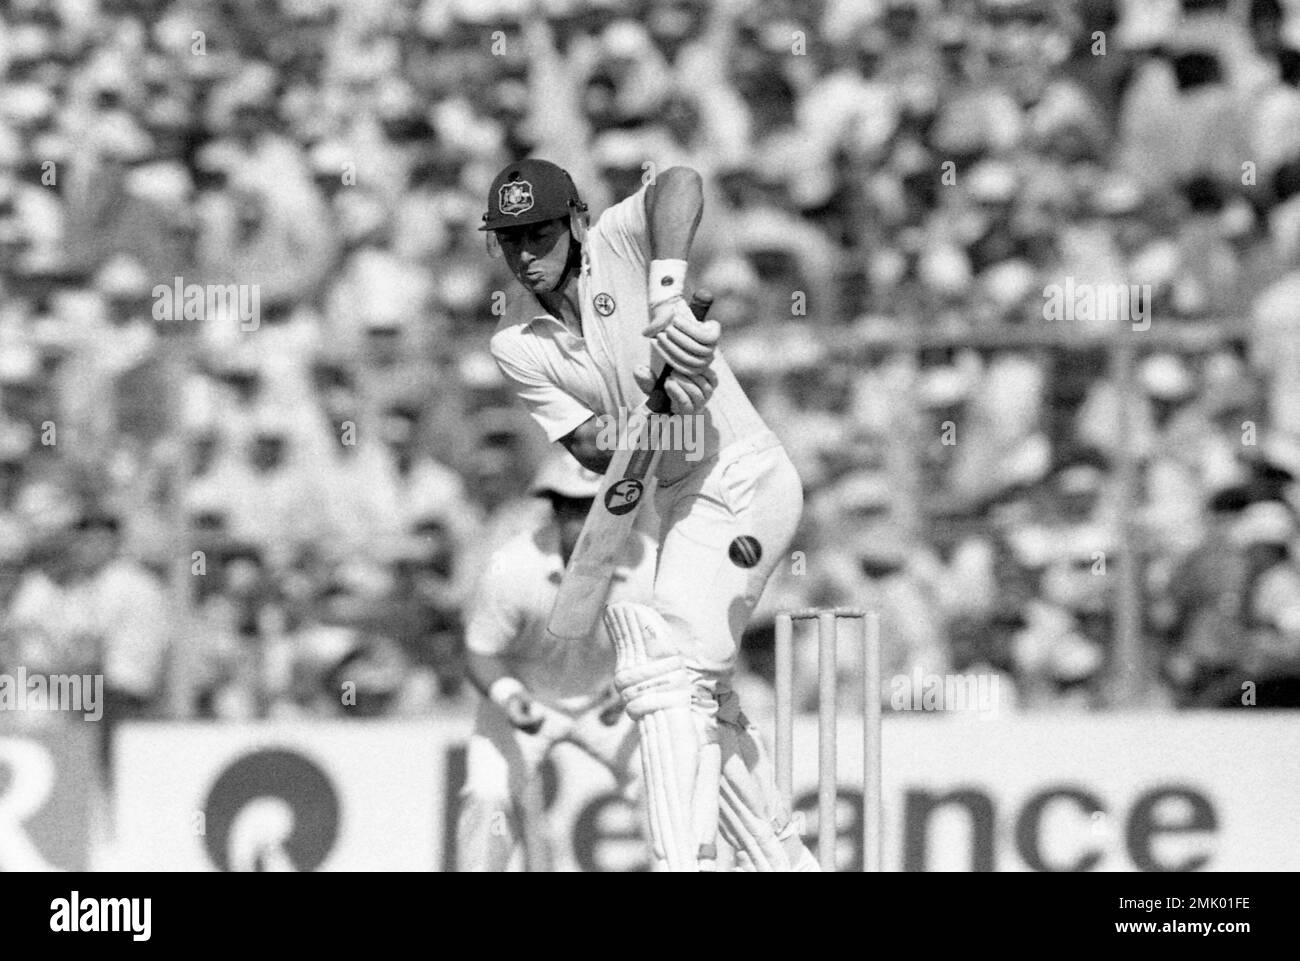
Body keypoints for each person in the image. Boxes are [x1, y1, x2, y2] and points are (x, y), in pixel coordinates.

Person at [481, 158, 814, 870]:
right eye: (509, 241)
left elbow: (682, 182)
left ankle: (680, 863)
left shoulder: (618, 246)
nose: (525, 254)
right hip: (685, 502)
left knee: (658, 662)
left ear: (573, 223)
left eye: (539, 234)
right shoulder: (517, 347)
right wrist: (655, 417)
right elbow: (594, 451)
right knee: (698, 701)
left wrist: (667, 297)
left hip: (747, 477)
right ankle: (783, 861)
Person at [456, 455, 654, 872]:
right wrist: (509, 698)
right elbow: (479, 650)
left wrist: (636, 689)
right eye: (575, 511)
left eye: (603, 508)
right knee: (488, 795)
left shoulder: (648, 564)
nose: (588, 524)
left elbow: (676, 646)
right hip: (524, 694)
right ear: (556, 512)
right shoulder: (512, 565)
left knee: (666, 789)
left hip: (610, 700)